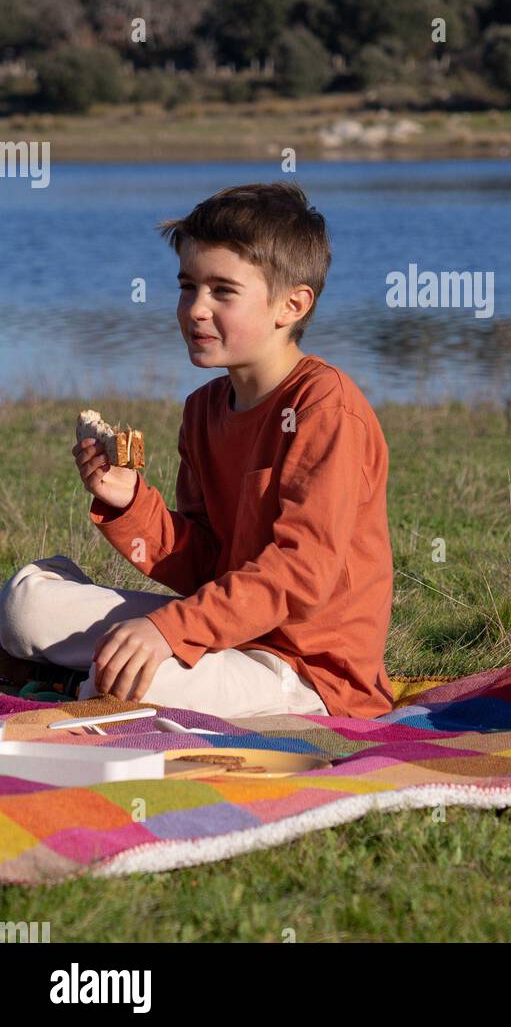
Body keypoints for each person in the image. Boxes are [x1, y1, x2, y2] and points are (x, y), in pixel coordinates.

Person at [0, 181, 395, 720]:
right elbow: (205, 566)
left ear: (292, 304)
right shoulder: (204, 409)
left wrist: (169, 630)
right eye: (188, 287)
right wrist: (129, 503)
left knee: (121, 684)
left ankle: (66, 677)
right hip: (221, 632)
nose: (196, 310)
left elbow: (302, 574)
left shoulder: (326, 408)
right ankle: (69, 669)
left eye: (222, 291)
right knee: (24, 607)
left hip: (305, 672)